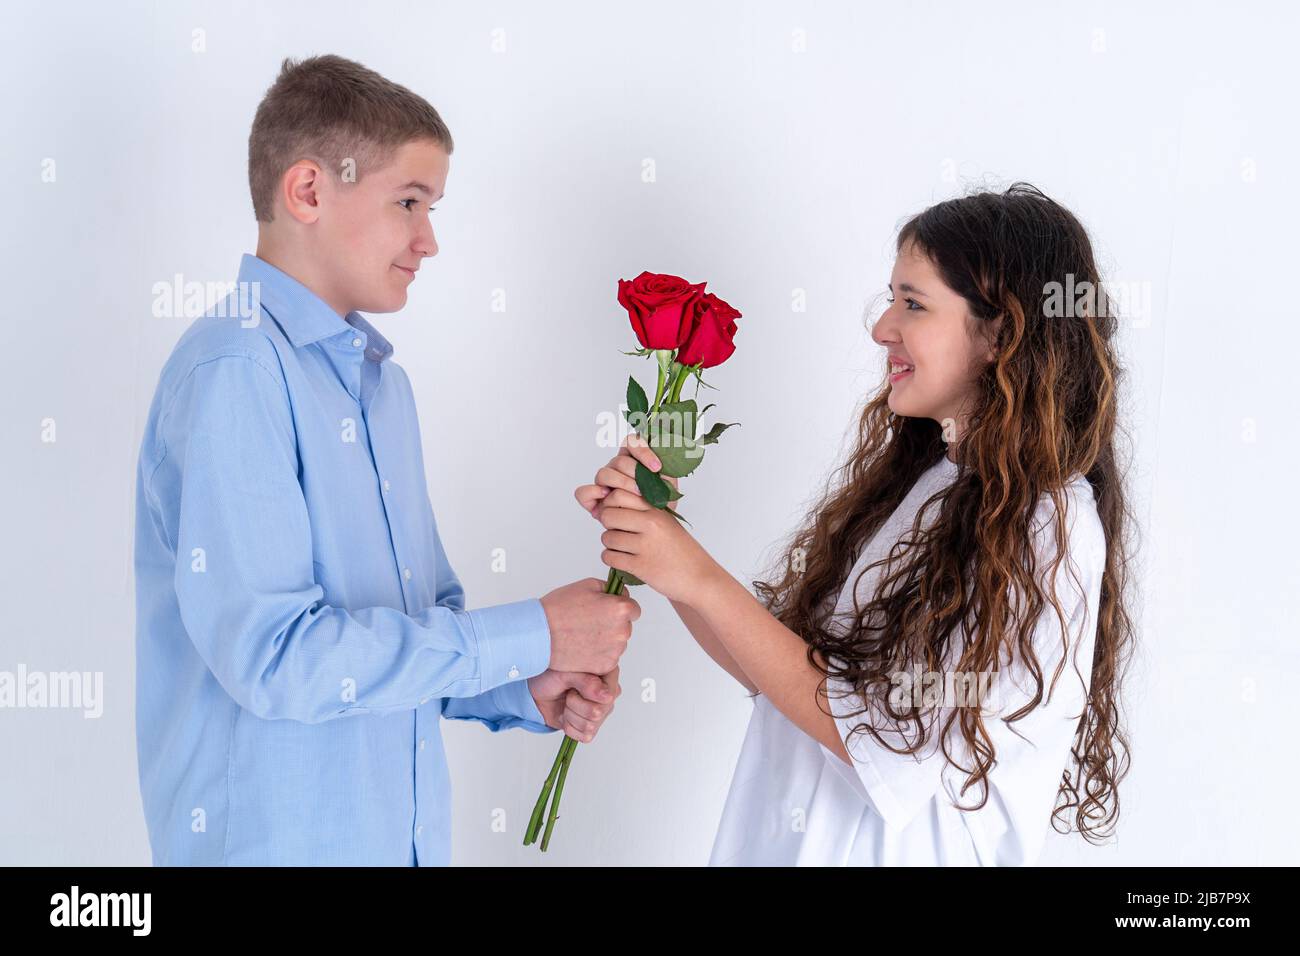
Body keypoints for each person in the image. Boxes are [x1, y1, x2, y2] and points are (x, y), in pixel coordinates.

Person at [134, 54, 635, 866]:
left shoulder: (381, 388)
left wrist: (522, 681)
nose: (429, 240)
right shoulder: (236, 371)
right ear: (307, 191)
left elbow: (410, 634)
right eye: (409, 202)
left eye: (431, 207)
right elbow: (280, 661)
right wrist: (532, 632)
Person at [579, 183, 1136, 865]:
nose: (882, 328)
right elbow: (782, 682)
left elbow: (879, 741)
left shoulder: (1044, 522)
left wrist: (697, 573)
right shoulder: (933, 484)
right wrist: (668, 561)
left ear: (1000, 333)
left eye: (913, 304)